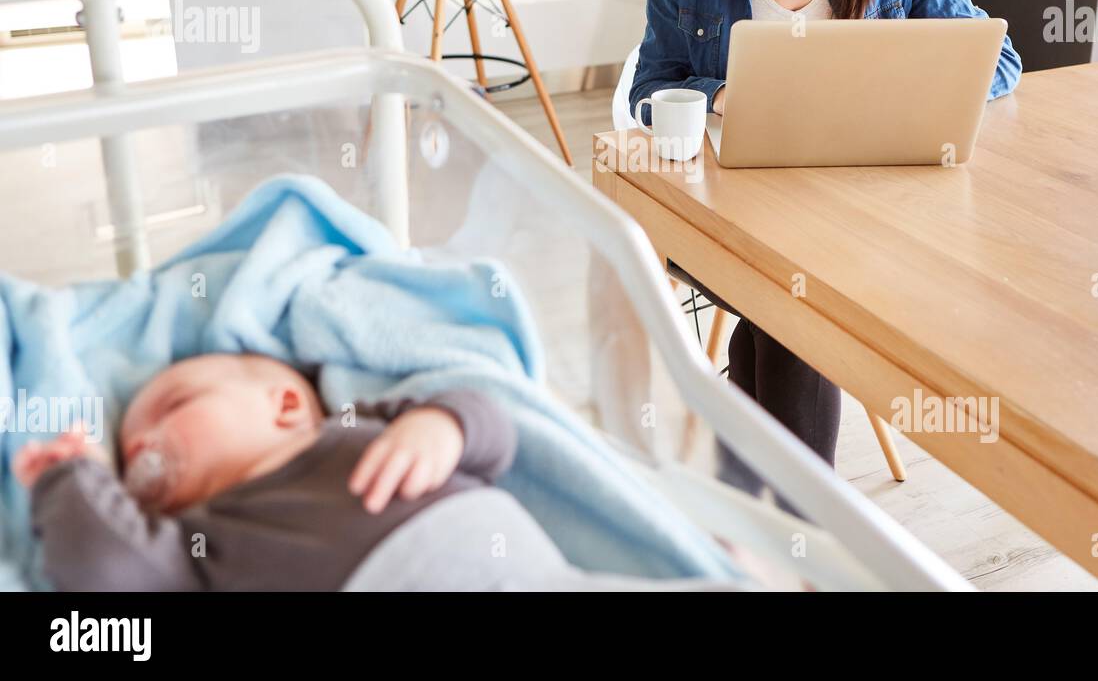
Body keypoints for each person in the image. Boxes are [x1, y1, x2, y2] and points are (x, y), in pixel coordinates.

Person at [629, 0, 1021, 500]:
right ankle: (804, 525)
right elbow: (650, 90)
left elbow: (999, 60)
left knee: (788, 312)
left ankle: (764, 516)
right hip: (730, 216)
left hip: (862, 220)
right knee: (793, 311)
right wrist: (722, 93)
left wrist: (904, 86)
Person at [17, 353, 748, 591]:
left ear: (283, 403)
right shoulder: (195, 541)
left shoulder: (355, 425)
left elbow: (494, 427)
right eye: (125, 446)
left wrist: (442, 425)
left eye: (172, 405)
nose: (140, 440)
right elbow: (102, 566)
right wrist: (70, 476)